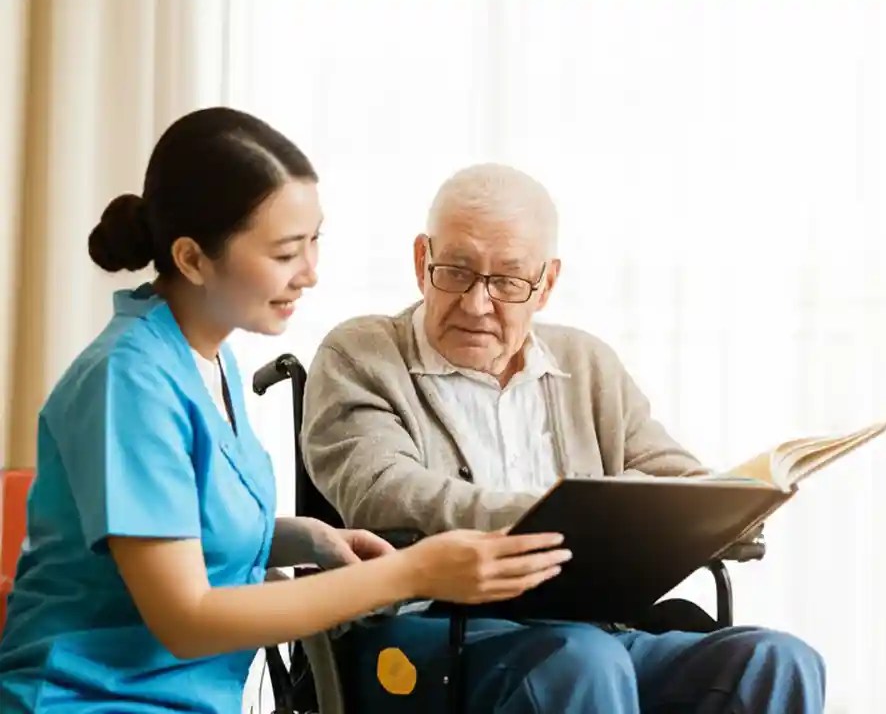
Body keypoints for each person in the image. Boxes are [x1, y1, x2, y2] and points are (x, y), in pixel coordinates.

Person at [0, 109, 570, 714]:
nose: (311, 274)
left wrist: (303, 539)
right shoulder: (130, 382)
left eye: (315, 241)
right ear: (193, 259)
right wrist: (413, 575)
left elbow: (178, 533)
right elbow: (186, 618)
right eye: (284, 253)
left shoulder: (204, 361)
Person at [301, 163, 826, 712]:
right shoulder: (360, 355)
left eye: (506, 281)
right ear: (420, 260)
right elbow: (386, 491)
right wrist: (557, 518)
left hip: (591, 631)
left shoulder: (585, 362)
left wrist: (738, 503)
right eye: (455, 271)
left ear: (546, 283)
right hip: (425, 631)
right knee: (582, 661)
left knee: (778, 661)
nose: (477, 304)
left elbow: (674, 474)